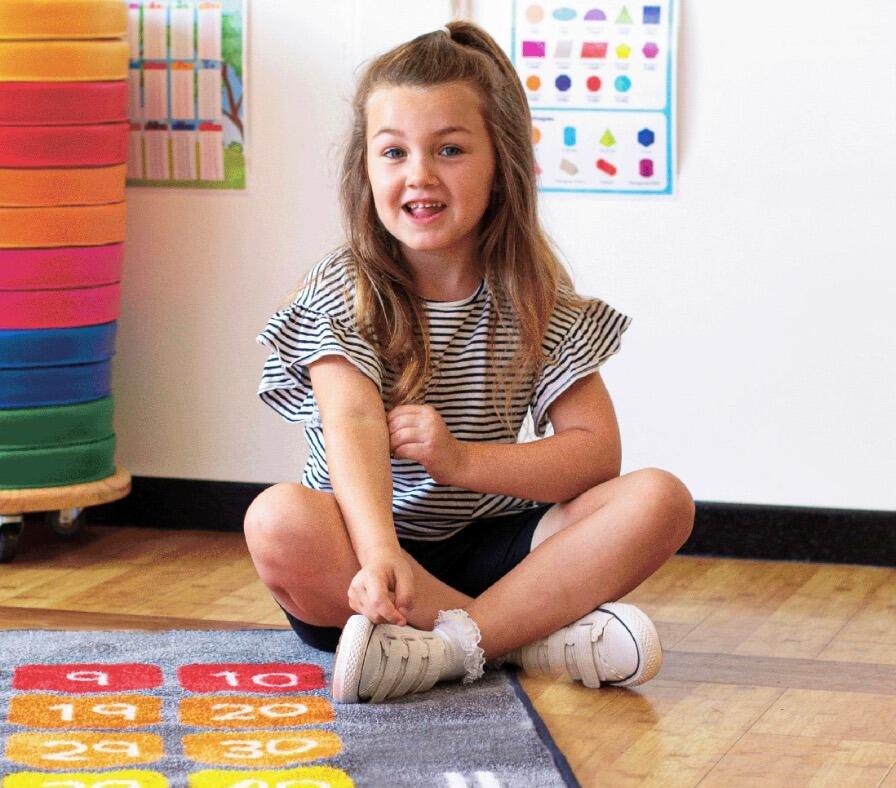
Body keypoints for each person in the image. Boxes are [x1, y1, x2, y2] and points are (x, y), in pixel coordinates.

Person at [244, 21, 695, 704]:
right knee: (276, 519)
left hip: (496, 552)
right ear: (366, 170)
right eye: (393, 152)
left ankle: (450, 646)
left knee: (661, 499)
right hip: (365, 559)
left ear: (501, 164)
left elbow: (596, 454)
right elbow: (352, 422)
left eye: (449, 149)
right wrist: (380, 552)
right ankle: (522, 639)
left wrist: (461, 462)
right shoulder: (342, 290)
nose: (419, 174)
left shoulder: (535, 297)